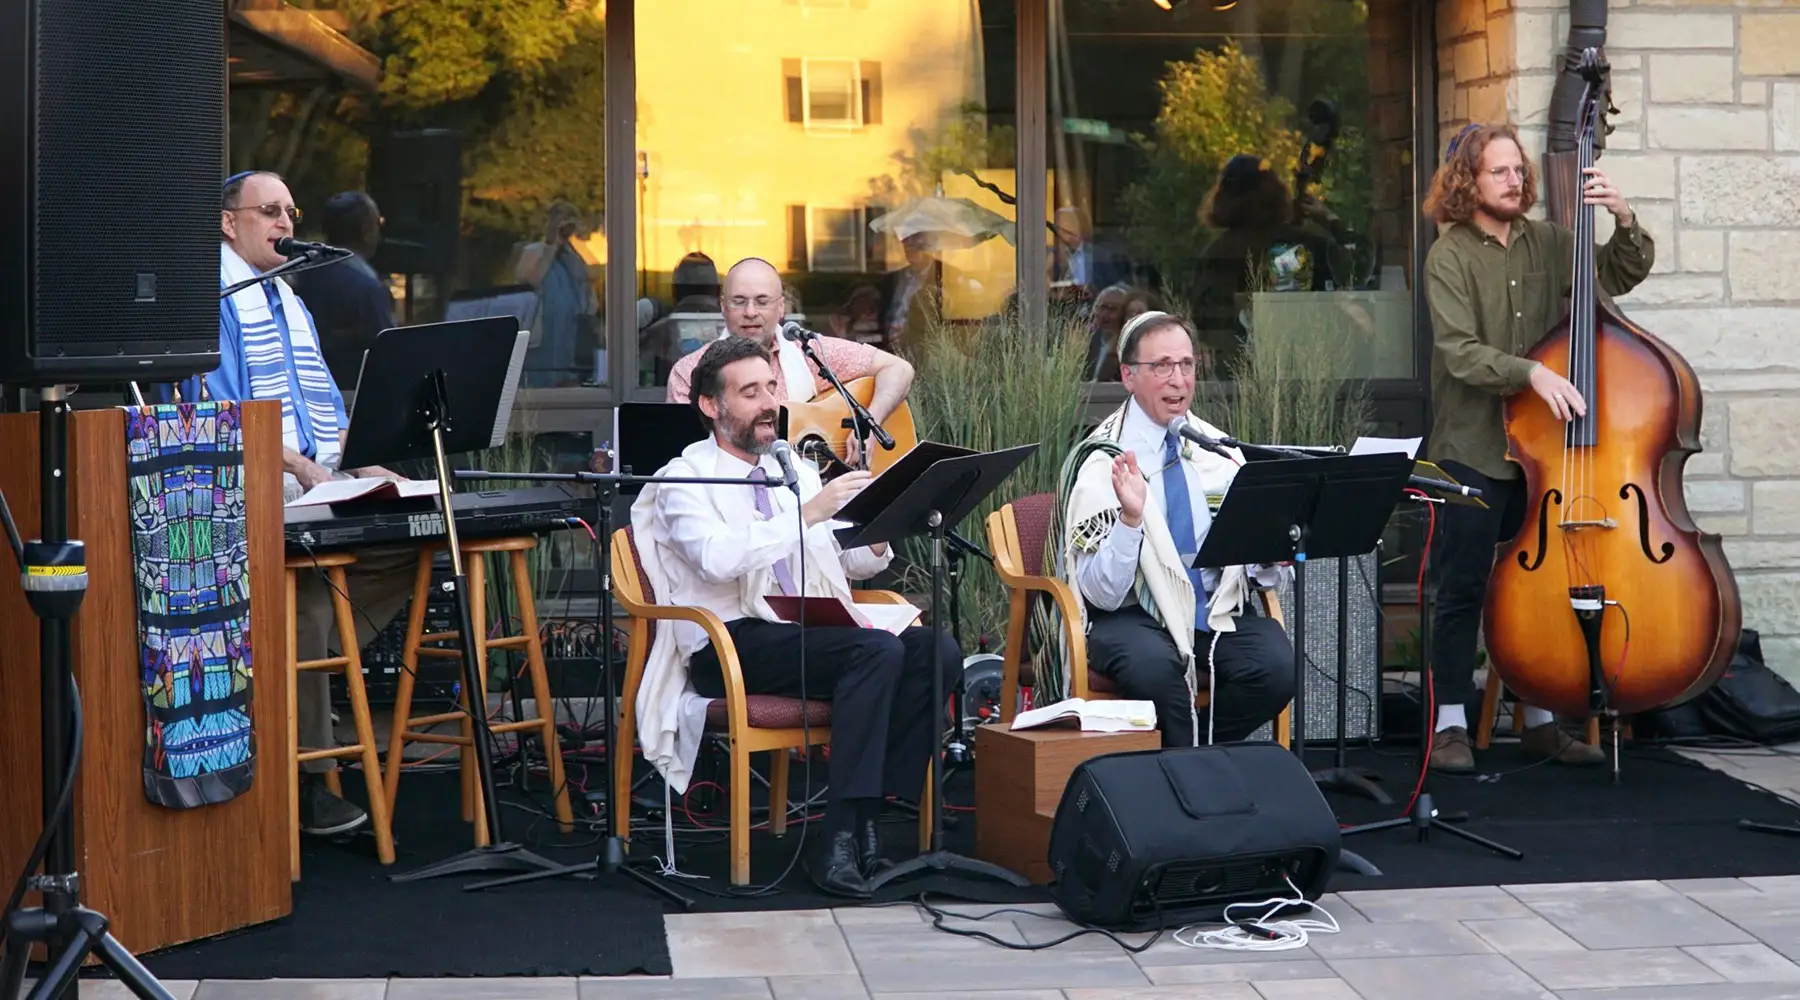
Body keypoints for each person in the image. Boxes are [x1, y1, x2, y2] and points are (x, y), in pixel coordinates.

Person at [630, 336, 960, 898]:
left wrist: (879, 525)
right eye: (749, 392)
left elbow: (846, 560)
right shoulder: (682, 478)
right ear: (711, 406)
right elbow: (717, 558)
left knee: (938, 651)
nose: (767, 403)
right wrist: (810, 511)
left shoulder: (793, 470)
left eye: (771, 389)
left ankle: (868, 813)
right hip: (728, 643)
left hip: (804, 629)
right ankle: (837, 834)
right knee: (875, 652)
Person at [180, 170, 416, 838]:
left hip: (315, 484)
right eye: (270, 212)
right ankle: (310, 770)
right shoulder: (218, 299)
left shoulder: (286, 297)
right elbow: (225, 414)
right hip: (244, 495)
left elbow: (318, 408)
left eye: (291, 211)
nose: (287, 224)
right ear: (229, 223)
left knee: (412, 540)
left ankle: (290, 680)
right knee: (309, 610)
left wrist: (359, 460)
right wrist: (302, 467)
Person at [1421, 123, 1654, 772]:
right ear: (1468, 182)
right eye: (1499, 172)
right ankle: (1448, 727)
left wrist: (1623, 217)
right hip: (1472, 447)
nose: (1515, 180)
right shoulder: (1449, 256)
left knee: (1541, 583)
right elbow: (1459, 353)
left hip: (1545, 454)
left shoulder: (1549, 243)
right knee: (1464, 586)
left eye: (1517, 170)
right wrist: (1533, 373)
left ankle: (1543, 717)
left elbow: (1616, 275)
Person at [1050, 310, 1297, 749]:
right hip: (1130, 618)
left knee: (1276, 667)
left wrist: (1268, 554)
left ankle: (1189, 757)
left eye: (1187, 365)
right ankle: (1186, 781)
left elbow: (1253, 575)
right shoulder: (1102, 461)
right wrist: (1129, 520)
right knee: (1155, 671)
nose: (1178, 380)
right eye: (1162, 366)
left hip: (1209, 613)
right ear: (1128, 376)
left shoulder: (1218, 453)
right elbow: (1100, 593)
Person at [665, 258, 914, 467]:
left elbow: (899, 369)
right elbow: (686, 462)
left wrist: (869, 422)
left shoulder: (809, 352)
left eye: (762, 301)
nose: (750, 312)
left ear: (781, 307)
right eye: (739, 301)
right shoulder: (690, 372)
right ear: (723, 306)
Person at [289, 190, 396, 388]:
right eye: (377, 224)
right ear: (366, 231)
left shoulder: (300, 278)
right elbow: (389, 354)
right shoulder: (366, 287)